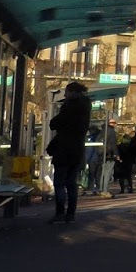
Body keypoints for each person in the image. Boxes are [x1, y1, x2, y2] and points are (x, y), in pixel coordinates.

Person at [46, 81, 91, 224]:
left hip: (63, 149)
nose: (65, 95)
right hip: (77, 150)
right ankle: (70, 214)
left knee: (59, 183)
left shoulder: (70, 106)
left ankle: (60, 212)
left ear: (73, 92)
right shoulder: (86, 106)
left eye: (66, 92)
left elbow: (54, 123)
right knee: (72, 184)